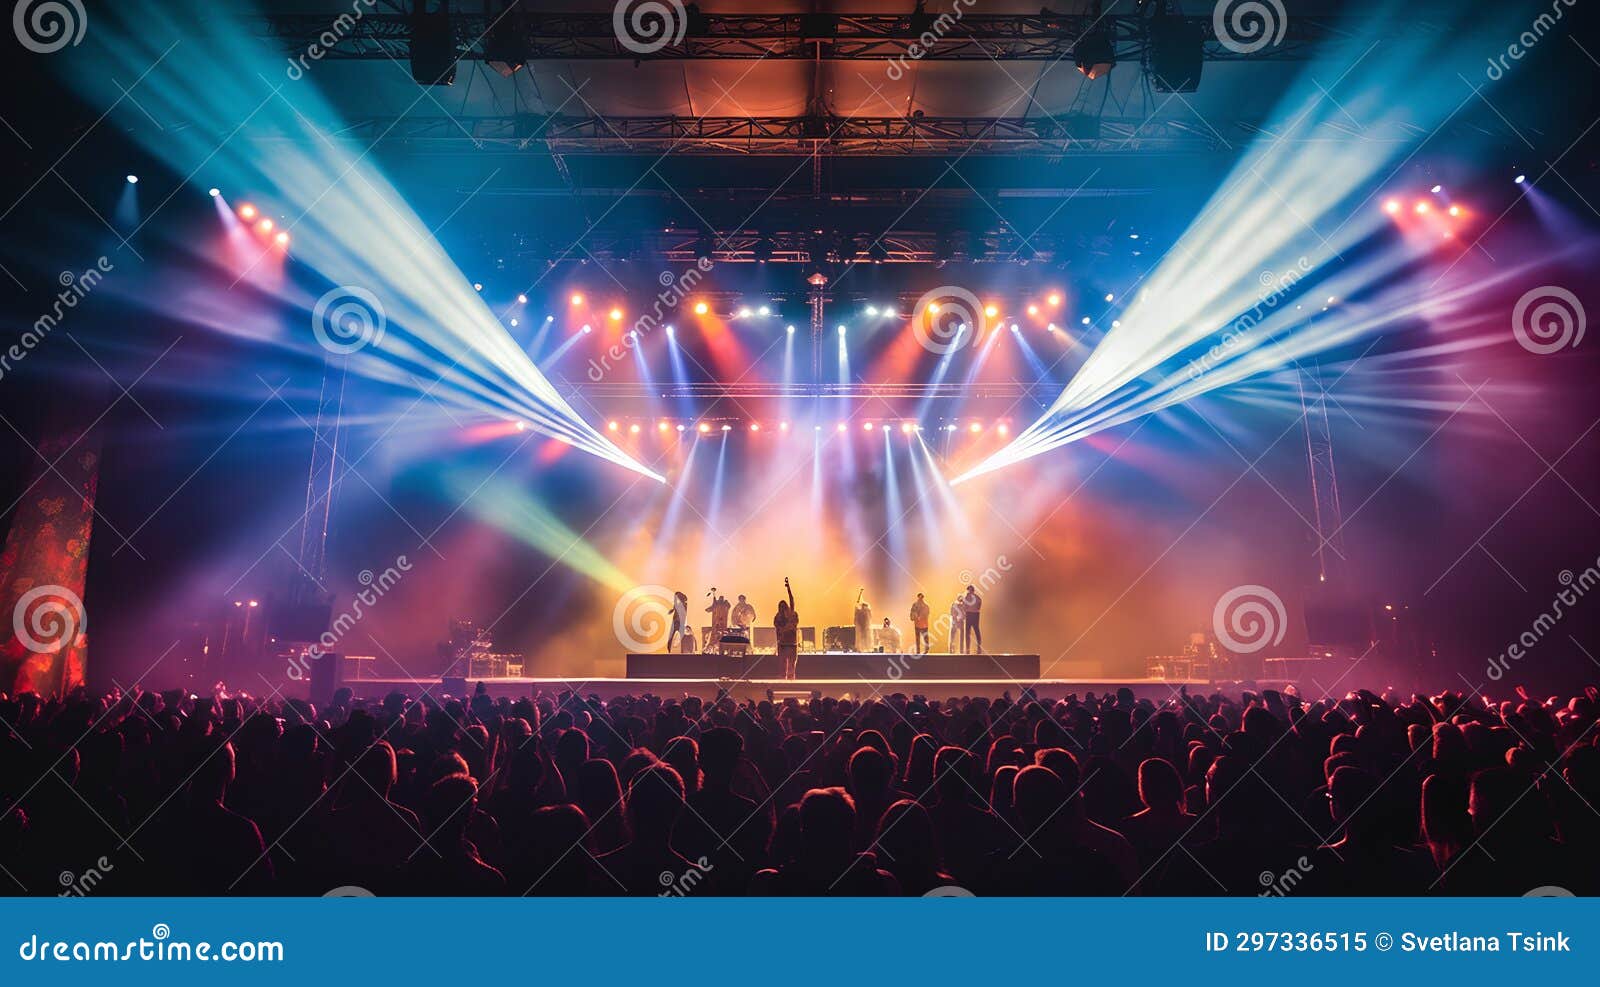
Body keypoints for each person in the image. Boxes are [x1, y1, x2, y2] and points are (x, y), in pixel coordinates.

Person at [775, 577, 799, 679]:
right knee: (783, 664)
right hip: (783, 644)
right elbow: (778, 629)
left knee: (792, 664)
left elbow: (792, 600)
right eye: (781, 607)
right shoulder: (778, 617)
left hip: (791, 643)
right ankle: (783, 680)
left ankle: (791, 680)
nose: (782, 608)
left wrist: (788, 588)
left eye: (784, 606)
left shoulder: (791, 614)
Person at [960, 584, 983, 654]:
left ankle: (970, 648)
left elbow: (964, 604)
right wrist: (977, 608)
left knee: (970, 631)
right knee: (975, 631)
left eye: (968, 590)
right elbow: (980, 602)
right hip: (974, 614)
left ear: (971, 590)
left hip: (971, 614)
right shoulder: (976, 597)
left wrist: (965, 607)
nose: (968, 591)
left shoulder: (968, 597)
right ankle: (971, 648)